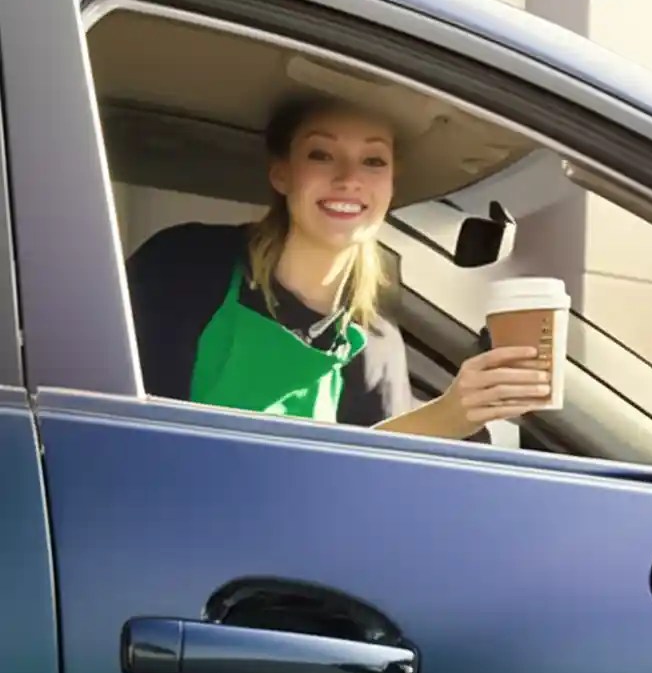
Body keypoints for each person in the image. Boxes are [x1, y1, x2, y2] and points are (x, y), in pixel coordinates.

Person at [126, 93, 551, 439]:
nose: (350, 178)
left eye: (373, 161)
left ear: (390, 185)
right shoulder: (184, 263)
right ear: (282, 174)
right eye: (321, 154)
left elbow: (365, 484)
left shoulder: (376, 342)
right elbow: (124, 430)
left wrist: (460, 415)